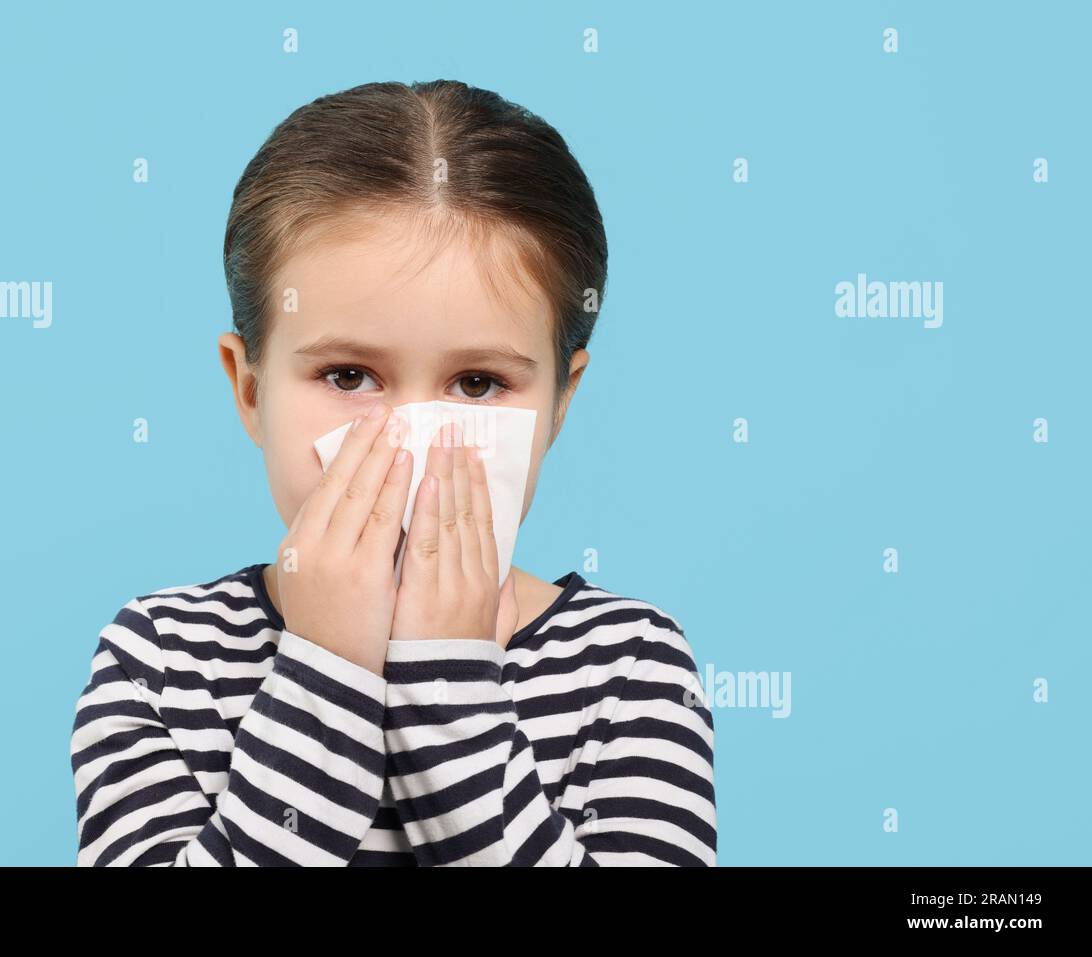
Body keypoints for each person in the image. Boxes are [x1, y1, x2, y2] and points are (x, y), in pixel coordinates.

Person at [70, 79, 716, 866]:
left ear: (558, 404)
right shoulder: (162, 662)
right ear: (249, 389)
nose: (409, 448)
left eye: (477, 384)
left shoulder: (629, 667)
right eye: (348, 376)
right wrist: (325, 670)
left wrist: (444, 686)